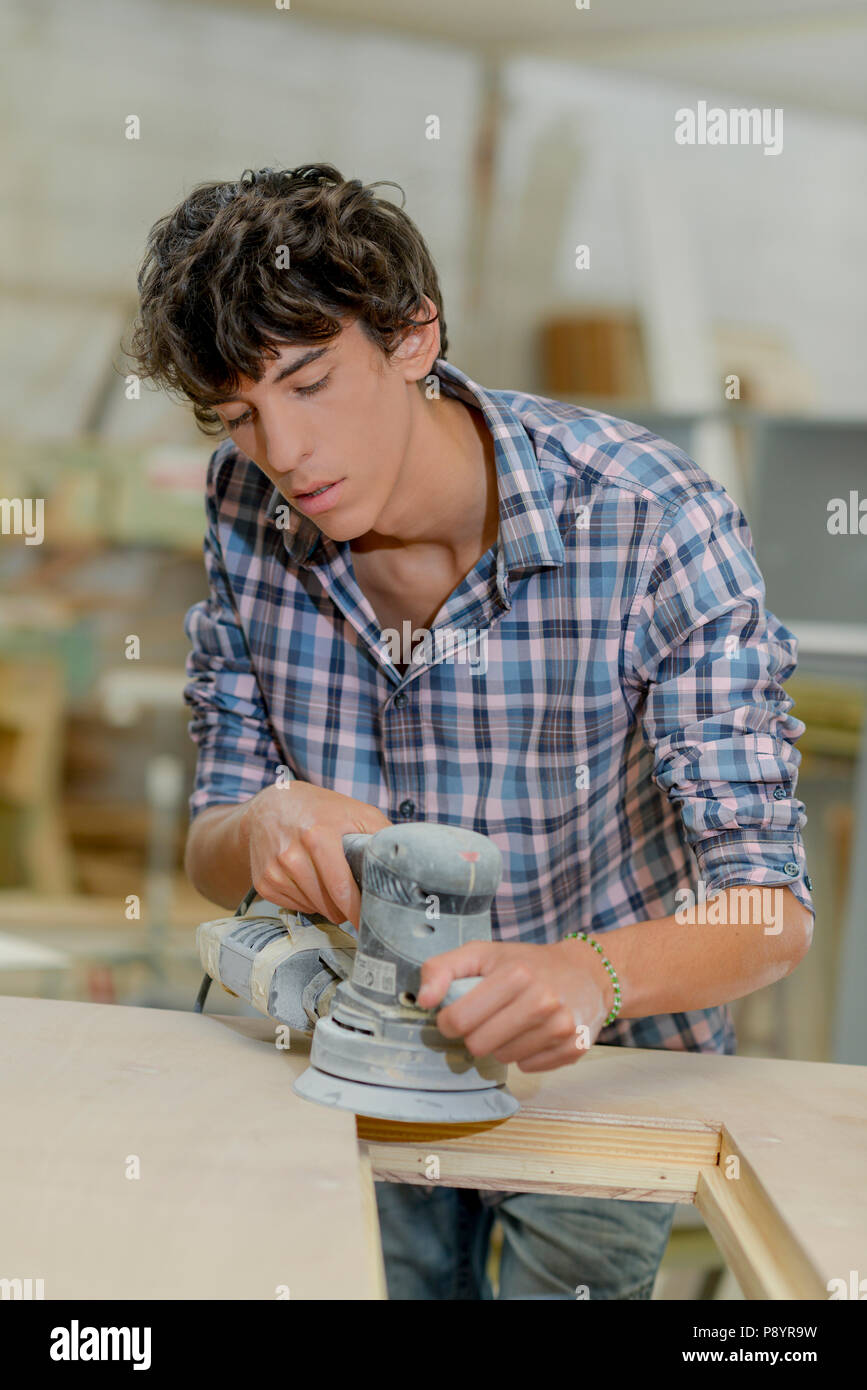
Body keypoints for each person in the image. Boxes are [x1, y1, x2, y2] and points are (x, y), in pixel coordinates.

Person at [130, 164, 814, 1300]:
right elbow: (212, 847)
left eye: (310, 382)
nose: (285, 453)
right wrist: (264, 820)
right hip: (358, 1058)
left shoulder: (648, 520)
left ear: (413, 338)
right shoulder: (245, 503)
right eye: (241, 414)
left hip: (608, 1077)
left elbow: (771, 911)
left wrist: (583, 976)